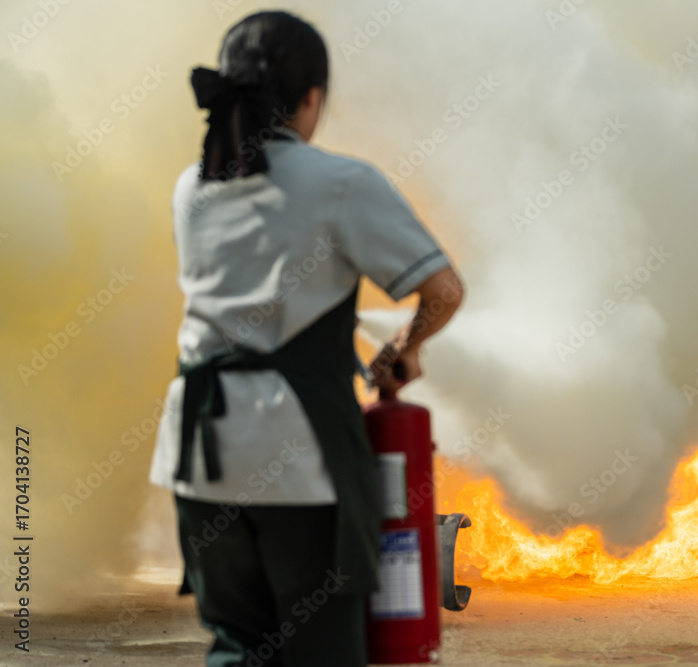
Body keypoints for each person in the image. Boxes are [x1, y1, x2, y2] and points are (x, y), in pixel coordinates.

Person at [148, 10, 463, 666]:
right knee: (321, 647)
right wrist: (405, 350)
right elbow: (442, 291)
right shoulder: (341, 183)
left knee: (237, 644)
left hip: (199, 450)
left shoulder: (192, 186)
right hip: (295, 455)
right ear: (311, 97)